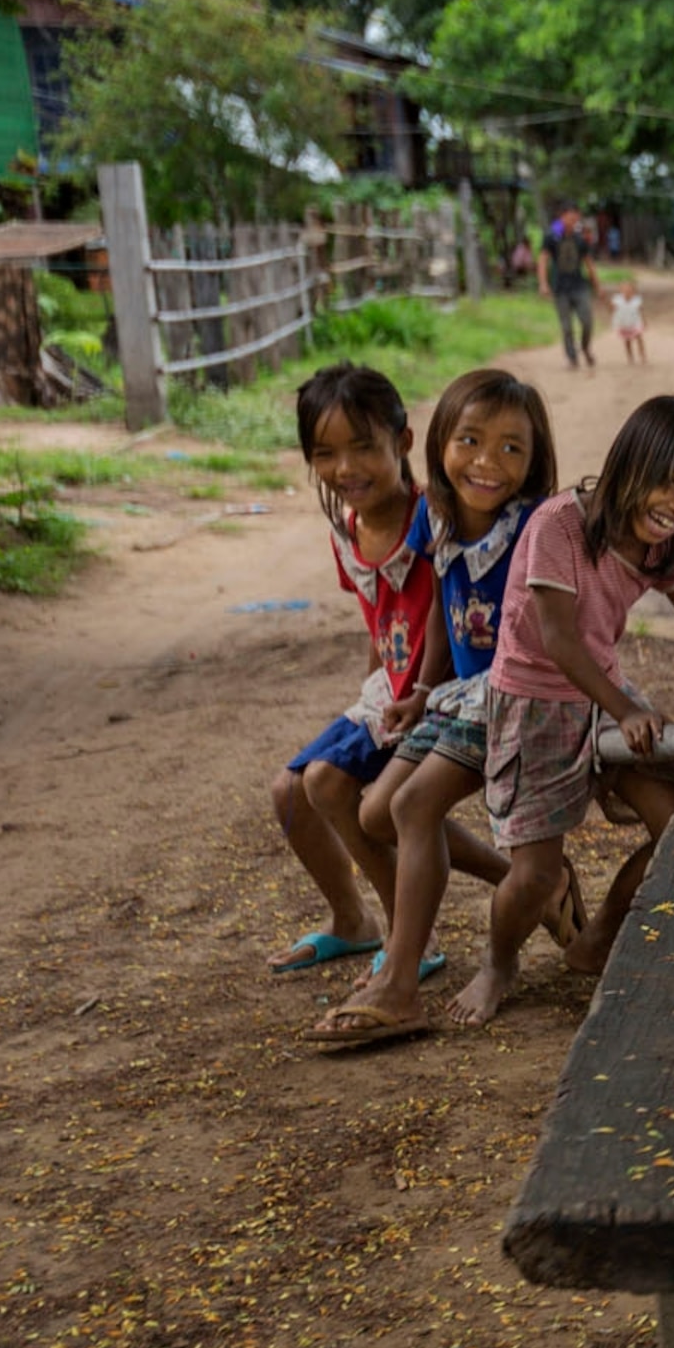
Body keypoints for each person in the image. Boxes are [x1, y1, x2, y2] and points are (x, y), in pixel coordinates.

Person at [453, 395, 674, 1026]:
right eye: (673, 485)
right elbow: (556, 640)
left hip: (603, 690)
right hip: (536, 701)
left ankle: (600, 935)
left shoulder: (662, 549)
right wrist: (626, 710)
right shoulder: (558, 525)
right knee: (533, 874)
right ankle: (499, 962)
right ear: (630, 462)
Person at [308, 370, 561, 1046]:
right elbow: (447, 619)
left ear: (537, 458)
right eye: (470, 440)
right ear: (439, 445)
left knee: (413, 807)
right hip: (454, 696)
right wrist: (420, 689)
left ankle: (400, 981)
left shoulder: (535, 525)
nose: (486, 461)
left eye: (512, 448)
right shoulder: (435, 516)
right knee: (372, 810)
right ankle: (535, 892)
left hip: (518, 695)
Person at [268, 365, 437, 977]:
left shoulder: (434, 522)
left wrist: (410, 695)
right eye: (326, 453)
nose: (346, 468)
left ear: (404, 442)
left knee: (330, 784)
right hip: (388, 695)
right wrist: (366, 700)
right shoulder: (349, 528)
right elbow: (378, 626)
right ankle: (352, 921)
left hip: (437, 695)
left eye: (364, 446)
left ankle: (408, 935)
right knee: (290, 791)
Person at [539, 207, 598, 371]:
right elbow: (543, 259)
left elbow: (589, 263)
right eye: (571, 218)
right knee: (566, 327)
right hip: (560, 288)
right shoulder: (551, 237)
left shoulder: (580, 239)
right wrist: (543, 283)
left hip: (579, 286)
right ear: (563, 216)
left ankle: (585, 347)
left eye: (576, 219)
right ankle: (572, 357)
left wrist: (597, 286)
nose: (573, 222)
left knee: (587, 321)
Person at [610, 280, 646, 364]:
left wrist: (644, 321)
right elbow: (612, 309)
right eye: (624, 289)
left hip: (635, 322)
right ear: (620, 290)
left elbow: (641, 311)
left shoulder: (637, 300)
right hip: (624, 323)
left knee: (639, 338)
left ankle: (642, 355)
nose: (627, 291)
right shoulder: (617, 299)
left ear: (633, 290)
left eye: (629, 289)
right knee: (627, 340)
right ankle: (630, 356)